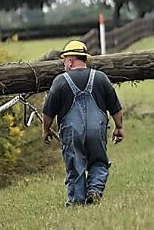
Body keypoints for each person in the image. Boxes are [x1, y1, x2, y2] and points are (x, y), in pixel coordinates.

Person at [42, 39, 124, 206]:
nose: (64, 63)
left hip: (72, 132)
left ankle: (77, 201)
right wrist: (119, 127)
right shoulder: (101, 78)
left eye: (65, 59)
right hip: (97, 130)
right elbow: (115, 107)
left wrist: (46, 130)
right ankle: (94, 190)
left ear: (70, 60)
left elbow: (48, 112)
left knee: (75, 164)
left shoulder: (60, 81)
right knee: (99, 161)